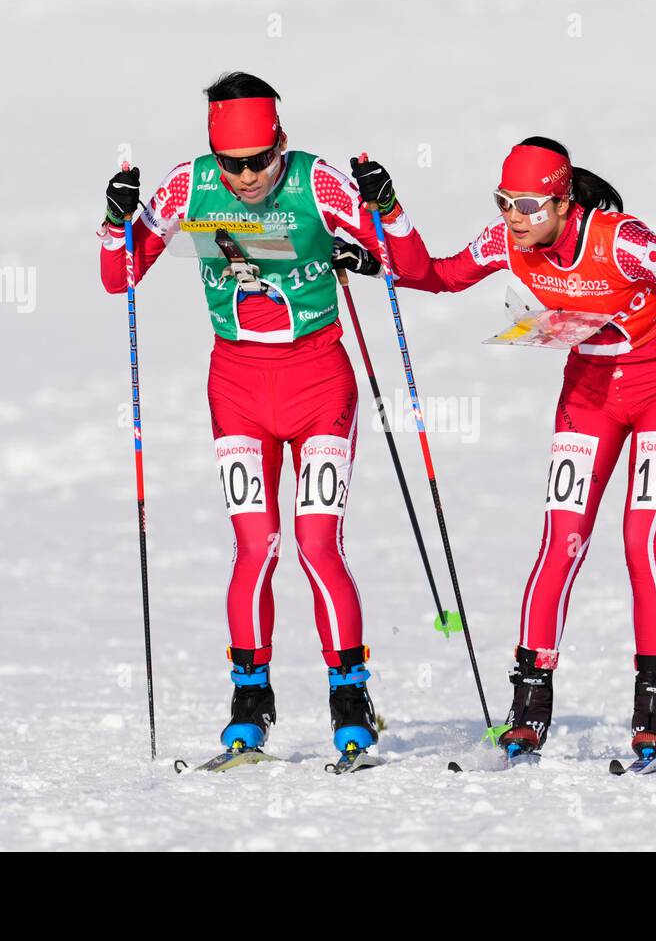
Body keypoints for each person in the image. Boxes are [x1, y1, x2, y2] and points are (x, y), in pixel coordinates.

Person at [386, 137, 656, 764]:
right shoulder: (507, 240)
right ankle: (529, 707)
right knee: (561, 540)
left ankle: (654, 710)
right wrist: (388, 224)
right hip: (589, 391)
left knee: (643, 544)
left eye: (529, 205)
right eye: (504, 202)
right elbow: (438, 274)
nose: (513, 217)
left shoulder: (622, 239)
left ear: (563, 202)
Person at [97, 72, 418, 763]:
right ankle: (249, 703)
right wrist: (115, 223)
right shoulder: (188, 185)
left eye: (258, 161)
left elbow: (406, 264)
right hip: (237, 389)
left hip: (319, 386)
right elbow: (119, 276)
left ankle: (350, 701)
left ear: (282, 143)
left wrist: (385, 213)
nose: (244, 177)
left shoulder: (316, 182)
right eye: (230, 163)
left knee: (316, 545)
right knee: (255, 548)